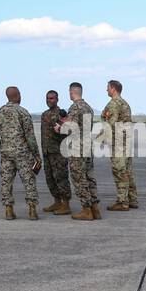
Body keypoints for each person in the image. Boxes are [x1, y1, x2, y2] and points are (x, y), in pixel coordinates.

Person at [0, 87, 41, 220]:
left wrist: (0, 146)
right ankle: (32, 210)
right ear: (18, 96)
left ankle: (8, 210)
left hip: (6, 154)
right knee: (28, 181)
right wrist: (36, 156)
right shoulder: (23, 112)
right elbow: (30, 137)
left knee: (6, 181)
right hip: (22, 153)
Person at [59, 83, 101, 221]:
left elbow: (72, 129)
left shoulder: (74, 107)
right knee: (89, 177)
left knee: (78, 178)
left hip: (77, 147)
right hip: (88, 146)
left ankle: (86, 210)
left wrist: (60, 128)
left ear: (71, 92)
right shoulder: (88, 107)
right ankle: (95, 208)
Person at [102, 79, 139, 210]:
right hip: (126, 143)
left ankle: (122, 202)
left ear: (113, 88)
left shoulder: (114, 104)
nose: (106, 90)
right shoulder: (125, 104)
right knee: (128, 172)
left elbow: (110, 124)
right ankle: (132, 199)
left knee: (119, 172)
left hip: (118, 144)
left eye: (107, 87)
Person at [40, 89, 72, 214]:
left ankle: (66, 204)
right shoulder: (44, 114)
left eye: (52, 98)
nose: (49, 100)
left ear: (57, 99)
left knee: (61, 178)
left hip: (59, 152)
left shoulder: (62, 114)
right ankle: (57, 202)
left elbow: (68, 131)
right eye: (47, 98)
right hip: (47, 151)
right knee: (50, 178)